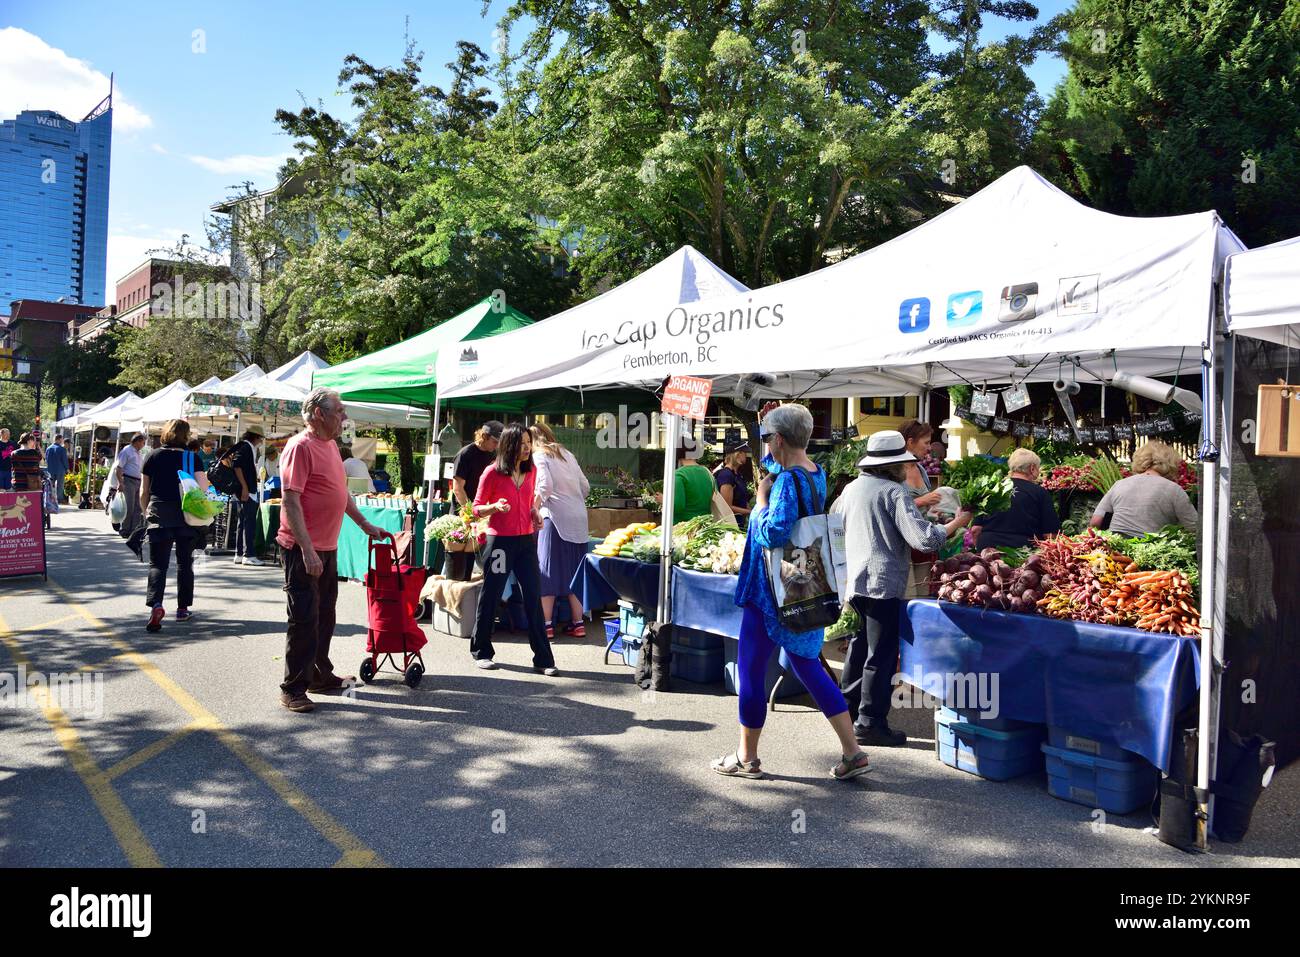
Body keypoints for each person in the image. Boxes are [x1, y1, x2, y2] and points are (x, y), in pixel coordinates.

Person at [712, 404, 873, 782]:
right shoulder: (814, 472)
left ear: (779, 439)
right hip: (805, 587)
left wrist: (762, 503)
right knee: (810, 667)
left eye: (767, 437)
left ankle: (746, 758)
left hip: (771, 595)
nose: (764, 444)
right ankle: (853, 752)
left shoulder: (784, 483)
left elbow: (774, 534)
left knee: (751, 672)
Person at [831, 430, 974, 746]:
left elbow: (834, 528)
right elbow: (923, 539)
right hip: (882, 582)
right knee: (880, 654)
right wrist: (956, 523)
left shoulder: (851, 489)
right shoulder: (893, 493)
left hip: (854, 580)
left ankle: (848, 712)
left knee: (858, 647)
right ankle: (870, 723)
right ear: (895, 464)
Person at [276, 388, 386, 713]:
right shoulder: (300, 447)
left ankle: (319, 676)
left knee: (325, 616)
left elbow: (340, 493)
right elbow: (291, 499)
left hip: (326, 546)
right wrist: (307, 550)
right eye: (339, 411)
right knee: (304, 619)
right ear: (319, 414)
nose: (344, 417)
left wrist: (365, 524)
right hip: (302, 549)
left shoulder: (331, 446)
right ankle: (292, 688)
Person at [469, 424, 559, 676]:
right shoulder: (492, 473)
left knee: (533, 596)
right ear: (509, 445)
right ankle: (482, 651)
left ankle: (543, 658)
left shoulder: (532, 471)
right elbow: (475, 508)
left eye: (529, 442)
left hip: (526, 543)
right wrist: (494, 507)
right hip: (500, 543)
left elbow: (530, 502)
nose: (527, 447)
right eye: (521, 443)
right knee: (492, 594)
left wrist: (534, 513)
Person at [138, 420, 207, 632]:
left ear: (166, 434)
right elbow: (203, 490)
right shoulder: (192, 458)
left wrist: (145, 512)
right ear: (186, 436)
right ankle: (182, 609)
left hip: (159, 512)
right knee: (185, 563)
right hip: (187, 516)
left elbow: (144, 491)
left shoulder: (152, 455)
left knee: (158, 564)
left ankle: (156, 605)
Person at [530, 422, 590, 639]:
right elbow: (585, 487)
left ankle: (546, 626)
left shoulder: (539, 455)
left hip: (554, 519)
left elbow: (544, 486)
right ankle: (578, 624)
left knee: (548, 572)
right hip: (579, 519)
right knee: (575, 573)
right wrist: (572, 501)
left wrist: (534, 508)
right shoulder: (567, 454)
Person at [1089, 440, 1198, 537]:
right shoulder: (1174, 490)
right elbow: (1194, 527)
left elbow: (1096, 522)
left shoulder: (1119, 484)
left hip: (1115, 552)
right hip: (1152, 552)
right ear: (1171, 464)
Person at [971, 448, 1060, 549]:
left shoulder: (991, 488)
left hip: (988, 548)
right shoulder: (1040, 493)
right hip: (1022, 552)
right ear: (1032, 468)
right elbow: (1050, 535)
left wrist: (979, 550)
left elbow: (975, 529)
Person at [658, 433, 714, 523]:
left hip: (684, 529)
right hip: (706, 525)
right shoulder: (707, 473)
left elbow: (678, 507)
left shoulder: (679, 475)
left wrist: (663, 500)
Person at [229, 430, 264, 565]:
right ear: (255, 437)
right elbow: (237, 467)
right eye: (260, 438)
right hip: (247, 490)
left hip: (243, 490)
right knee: (249, 522)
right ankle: (248, 554)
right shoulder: (246, 447)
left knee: (242, 521)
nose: (261, 442)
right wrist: (245, 487)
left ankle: (240, 553)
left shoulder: (243, 446)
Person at [452, 420, 503, 507]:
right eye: (495, 442)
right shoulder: (465, 454)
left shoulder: (494, 454)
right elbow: (458, 489)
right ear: (484, 436)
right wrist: (471, 512)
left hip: (484, 510)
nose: (497, 445)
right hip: (464, 512)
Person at [898, 419, 942, 510]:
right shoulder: (894, 472)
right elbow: (892, 508)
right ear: (910, 442)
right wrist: (922, 501)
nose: (929, 447)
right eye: (926, 443)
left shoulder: (921, 470)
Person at [115, 433, 147, 544]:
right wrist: (120, 482)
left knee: (137, 507)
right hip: (128, 480)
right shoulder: (127, 451)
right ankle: (125, 530)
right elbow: (119, 468)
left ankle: (134, 530)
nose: (143, 445)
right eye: (143, 442)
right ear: (137, 441)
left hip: (138, 481)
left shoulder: (138, 452)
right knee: (129, 506)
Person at [713, 440, 752, 520]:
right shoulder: (726, 475)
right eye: (744, 452)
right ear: (737, 454)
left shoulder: (738, 475)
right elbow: (727, 507)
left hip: (740, 523)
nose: (746, 455)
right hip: (730, 526)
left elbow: (743, 500)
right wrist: (751, 512)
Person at [45, 436, 69, 503]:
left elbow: (46, 460)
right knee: (60, 485)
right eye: (61, 440)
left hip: (50, 470)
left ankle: (49, 499)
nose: (62, 441)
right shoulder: (62, 449)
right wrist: (67, 468)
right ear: (59, 440)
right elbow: (64, 460)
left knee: (50, 485)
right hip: (60, 470)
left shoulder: (48, 448)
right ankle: (59, 499)